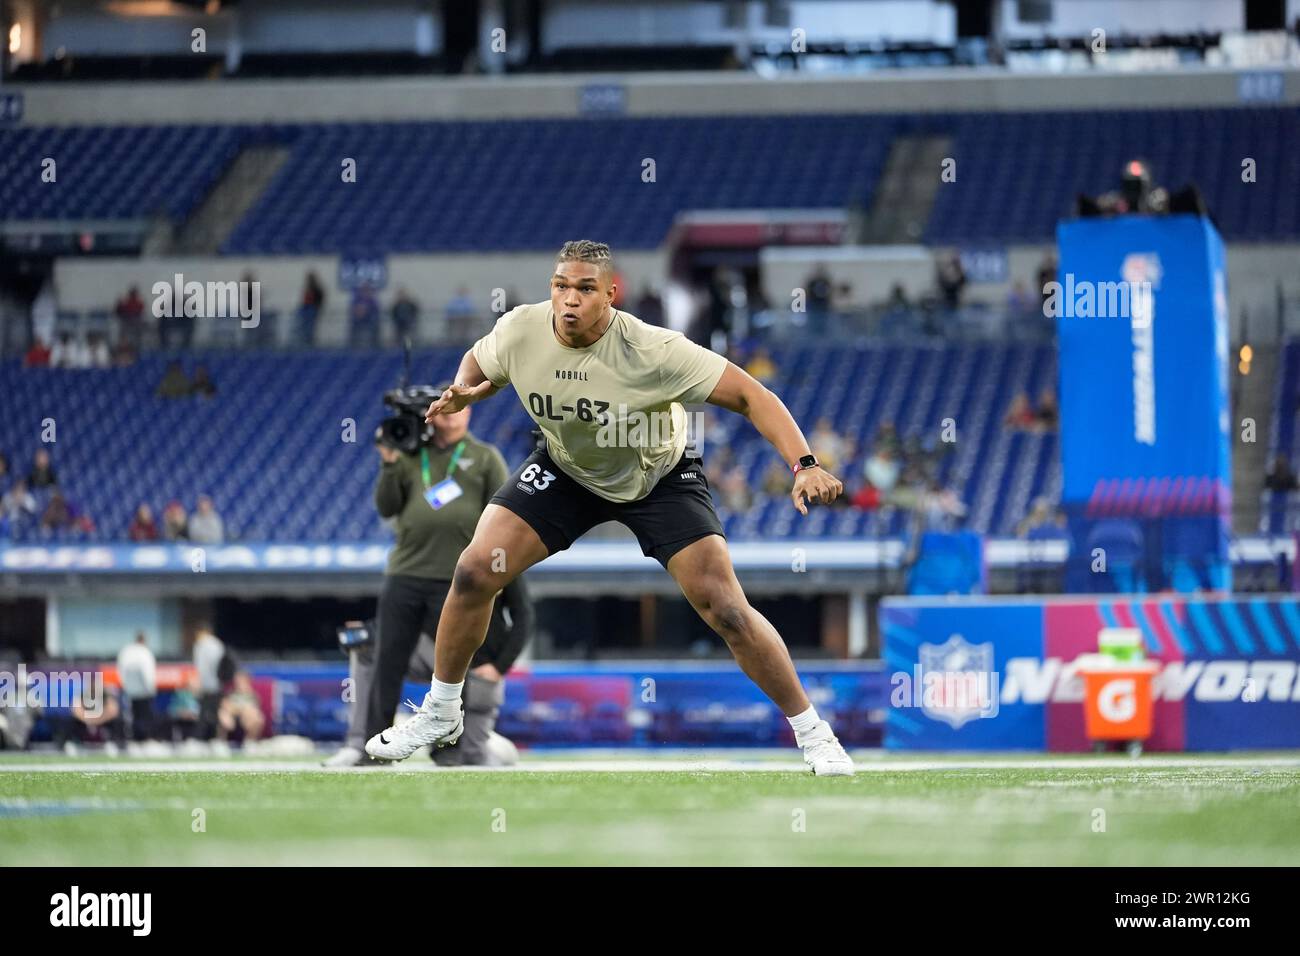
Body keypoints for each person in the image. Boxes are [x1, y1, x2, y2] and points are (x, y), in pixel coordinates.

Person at [366, 240, 853, 775]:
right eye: (560, 286)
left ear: (611, 295)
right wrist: (466, 390)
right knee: (475, 571)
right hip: (567, 470)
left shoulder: (655, 349)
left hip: (658, 476)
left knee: (728, 610)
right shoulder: (520, 330)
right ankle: (441, 711)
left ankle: (815, 735)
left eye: (584, 289)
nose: (568, 300)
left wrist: (804, 463)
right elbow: (479, 360)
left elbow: (750, 396)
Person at [329, 384, 533, 768]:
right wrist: (389, 461)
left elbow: (504, 509)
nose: (452, 416)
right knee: (388, 661)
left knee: (457, 657)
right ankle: (372, 749)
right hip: (406, 572)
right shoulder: (410, 454)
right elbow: (387, 506)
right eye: (445, 409)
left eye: (460, 409)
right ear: (433, 414)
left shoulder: (484, 457)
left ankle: (452, 749)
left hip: (455, 575)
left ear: (469, 412)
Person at [116, 631, 158, 741]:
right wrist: (151, 689)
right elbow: (148, 673)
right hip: (144, 691)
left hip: (130, 690)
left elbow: (121, 671)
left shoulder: (126, 651)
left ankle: (134, 739)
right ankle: (145, 738)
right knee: (145, 716)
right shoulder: (145, 652)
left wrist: (125, 686)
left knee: (134, 716)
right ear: (144, 641)